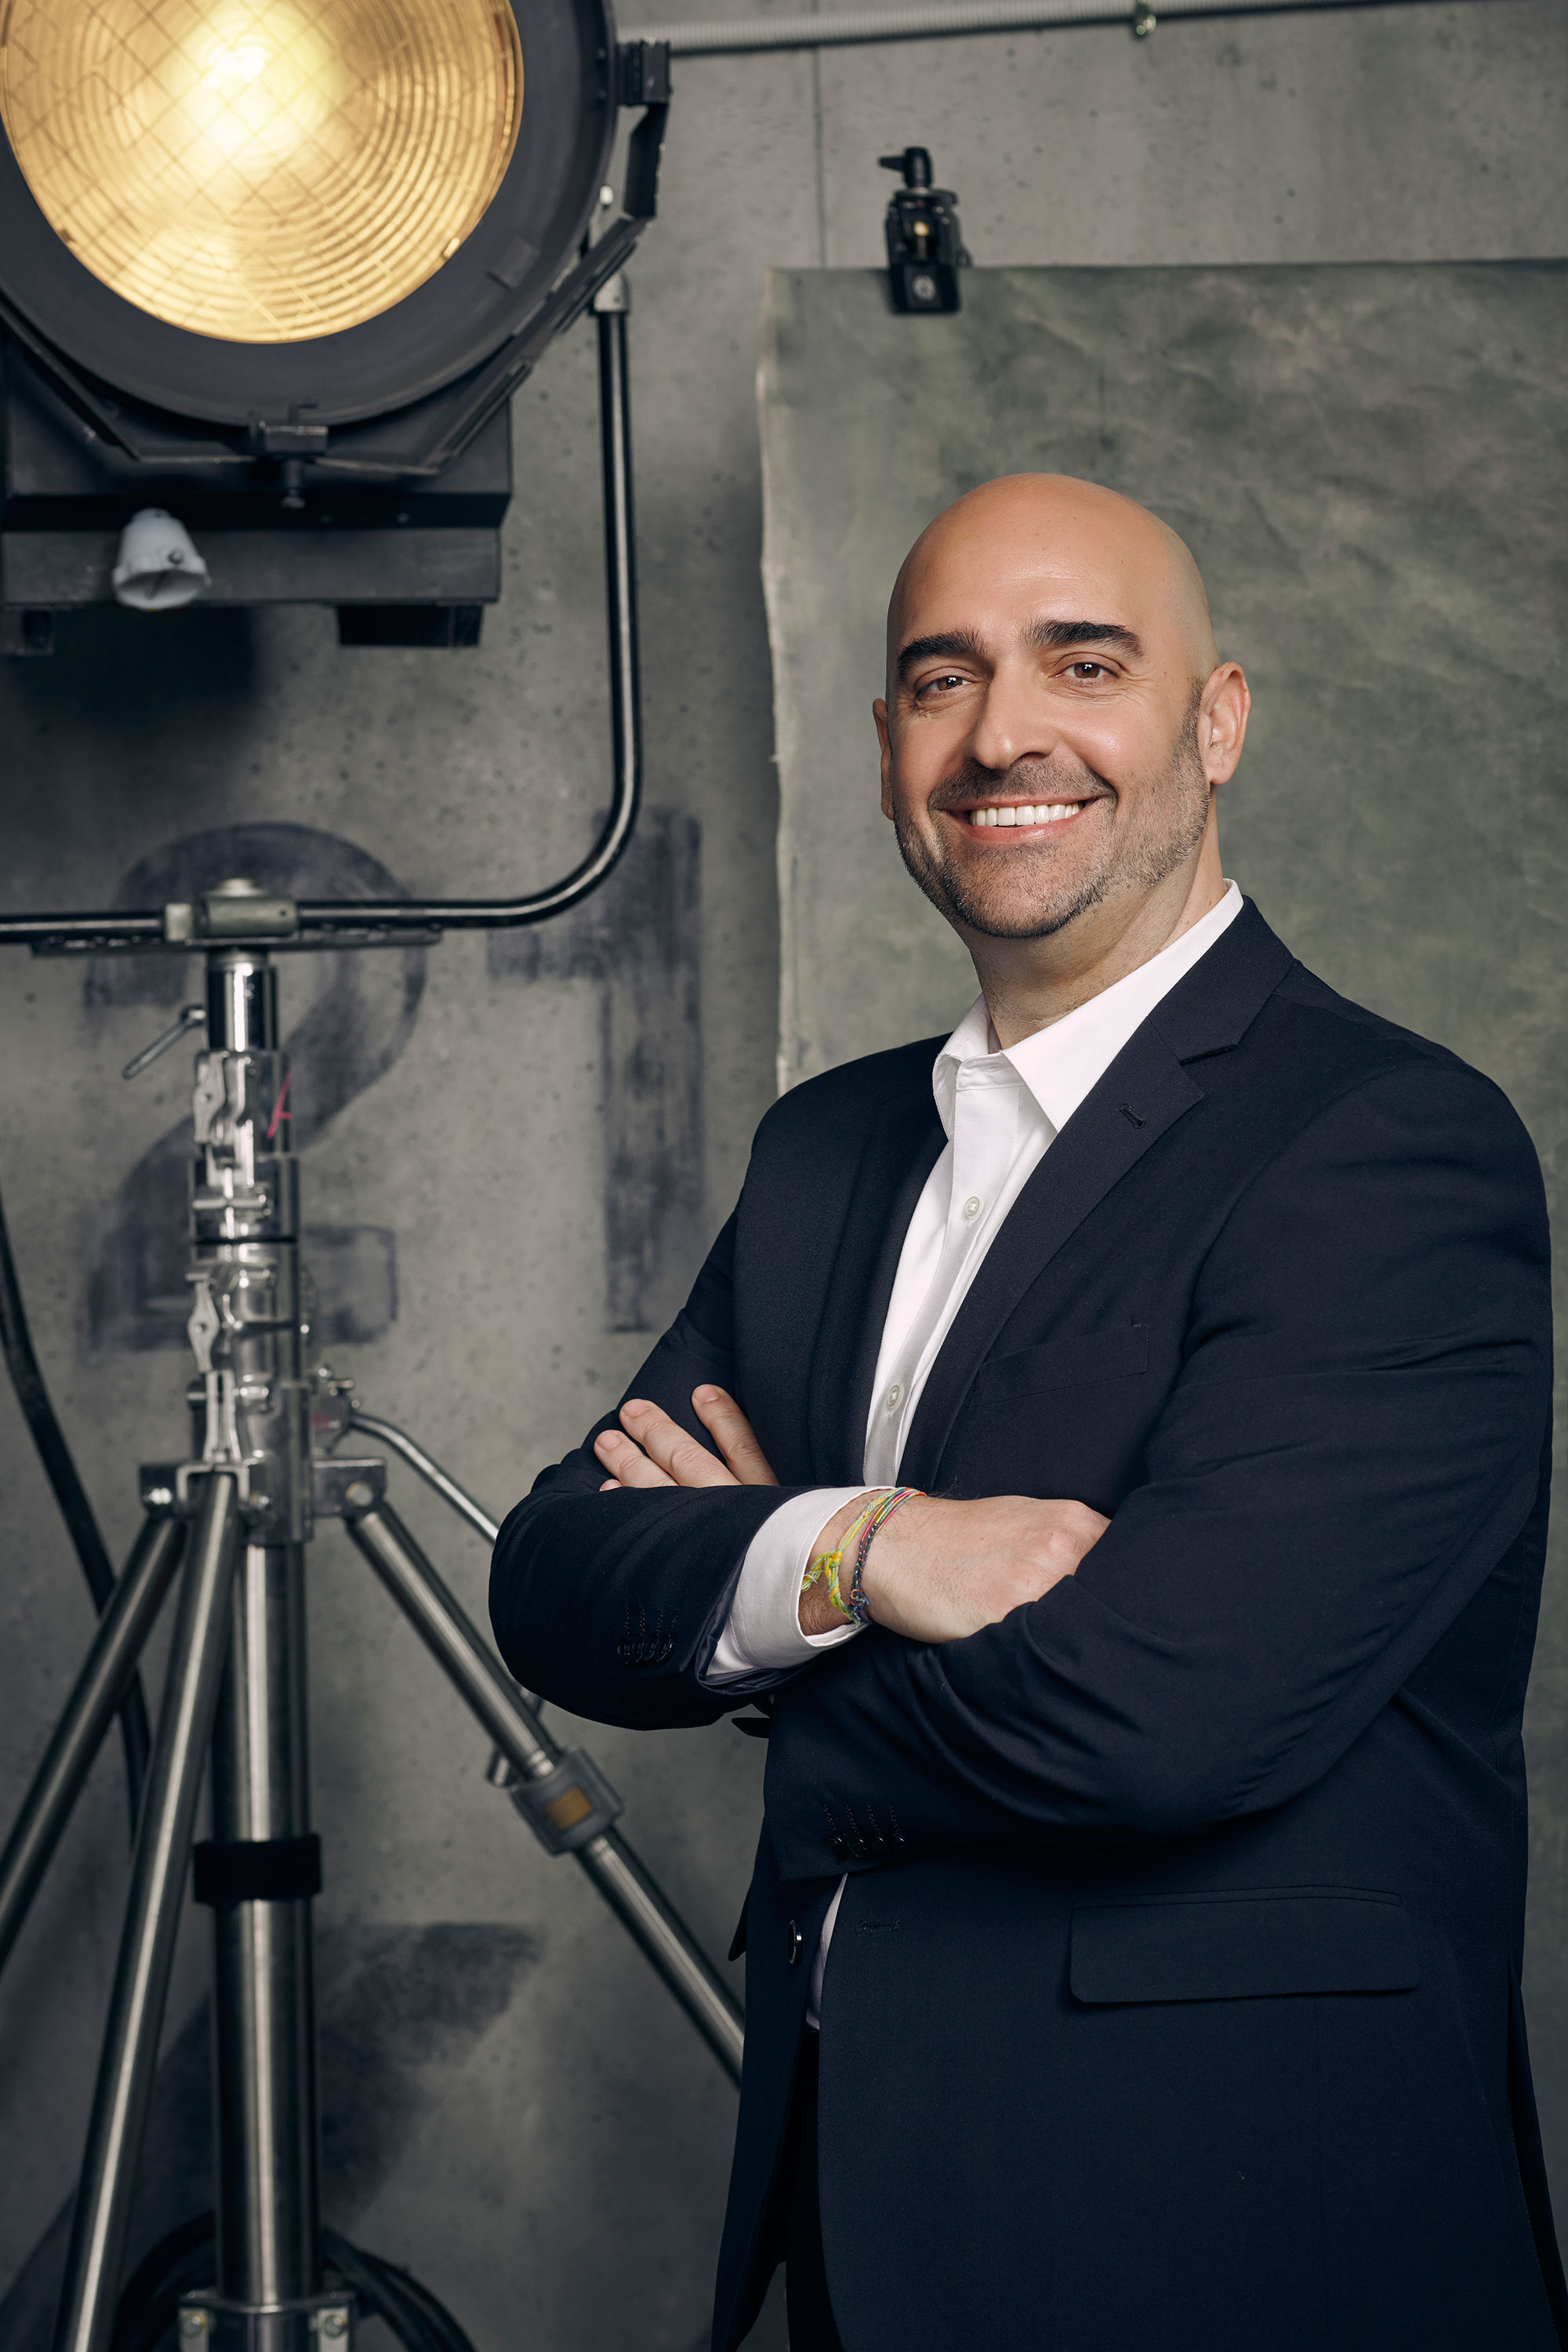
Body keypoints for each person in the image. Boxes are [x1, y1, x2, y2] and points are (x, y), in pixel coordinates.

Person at [490, 474, 1566, 2351]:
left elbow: (1155, 1720)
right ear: (888, 746)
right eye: (943, 678)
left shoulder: (1381, 1147)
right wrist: (863, 1547)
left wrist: (762, 1620)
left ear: (1214, 723)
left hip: (1239, 2228)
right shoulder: (824, 1151)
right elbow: (555, 1579)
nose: (1002, 736)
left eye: (1083, 664)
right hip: (864, 2213)